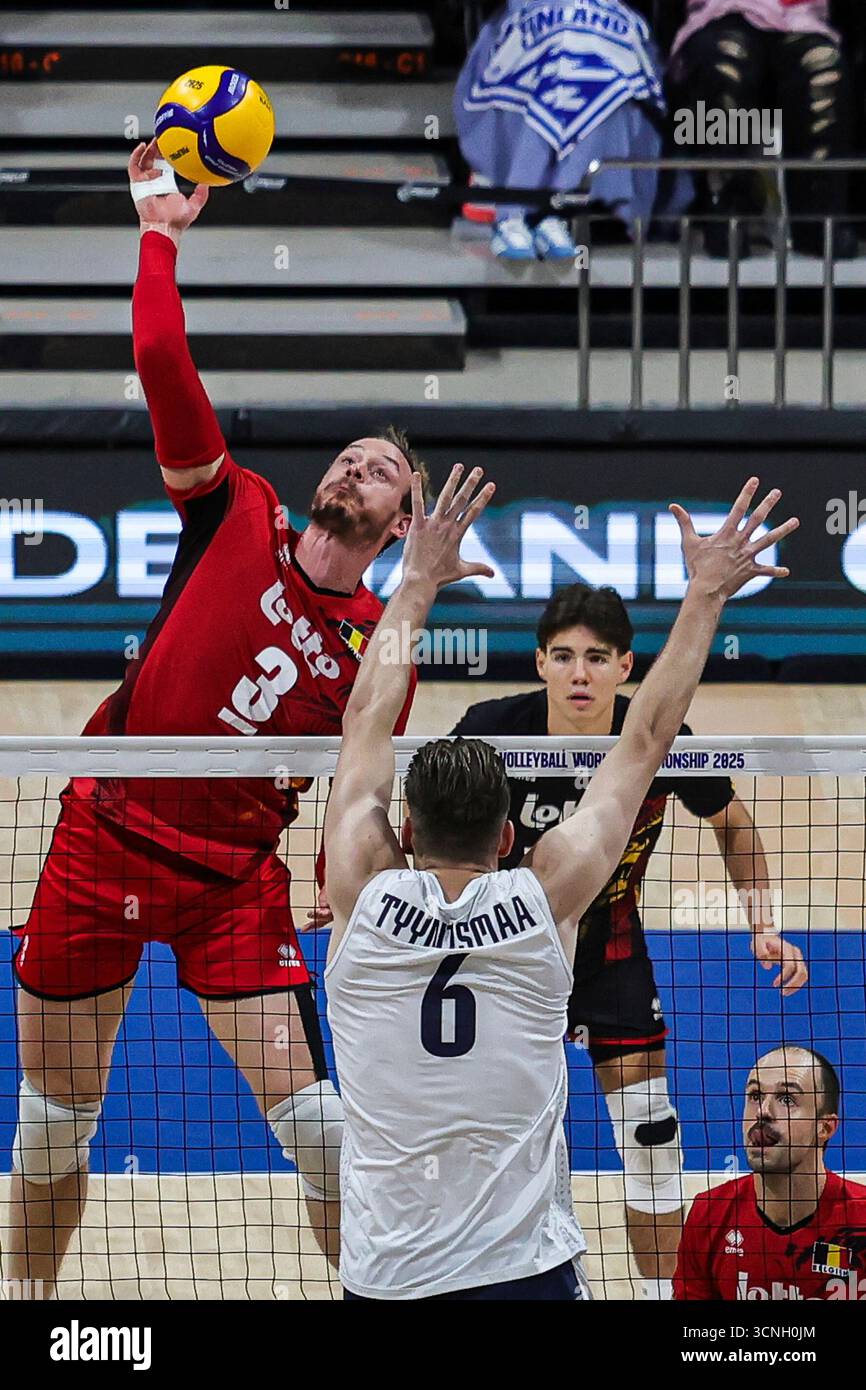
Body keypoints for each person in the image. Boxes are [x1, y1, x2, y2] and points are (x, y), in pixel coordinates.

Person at [5, 138, 425, 1295]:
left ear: (399, 521)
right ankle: (34, 1314)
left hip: (232, 885)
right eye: (351, 452)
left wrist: (344, 890)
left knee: (329, 1142)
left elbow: (364, 789)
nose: (356, 465)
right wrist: (157, 230)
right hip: (102, 840)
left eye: (384, 468)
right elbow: (156, 357)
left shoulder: (376, 644)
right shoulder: (233, 509)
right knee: (47, 1136)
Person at [323, 466, 797, 1300]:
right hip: (524, 1264)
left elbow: (366, 719)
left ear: (402, 831)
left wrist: (415, 583)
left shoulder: (361, 896)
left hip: (384, 1275)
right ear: (508, 836)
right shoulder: (544, 893)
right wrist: (707, 594)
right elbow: (646, 739)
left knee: (651, 1136)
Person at [451, 581, 808, 1299]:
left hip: (611, 956)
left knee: (652, 1143)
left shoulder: (657, 738)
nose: (579, 673)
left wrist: (763, 921)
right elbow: (427, 826)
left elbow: (732, 823)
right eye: (563, 656)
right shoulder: (490, 732)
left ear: (625, 666)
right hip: (507, 962)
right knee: (514, 1144)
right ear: (541, 663)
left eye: (597, 657)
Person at [454, 0, 682, 259]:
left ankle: (558, 209)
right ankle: (515, 212)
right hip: (529, 13)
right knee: (557, 58)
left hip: (608, 14)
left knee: (599, 73)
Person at [674, 1045, 866, 1299]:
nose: (762, 1111)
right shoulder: (708, 1214)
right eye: (755, 1095)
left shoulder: (861, 1218)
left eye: (787, 1099)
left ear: (825, 1127)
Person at [669, 0, 856, 258]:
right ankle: (725, 207)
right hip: (722, 11)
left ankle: (819, 219)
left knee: (824, 68)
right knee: (725, 66)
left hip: (800, 17)